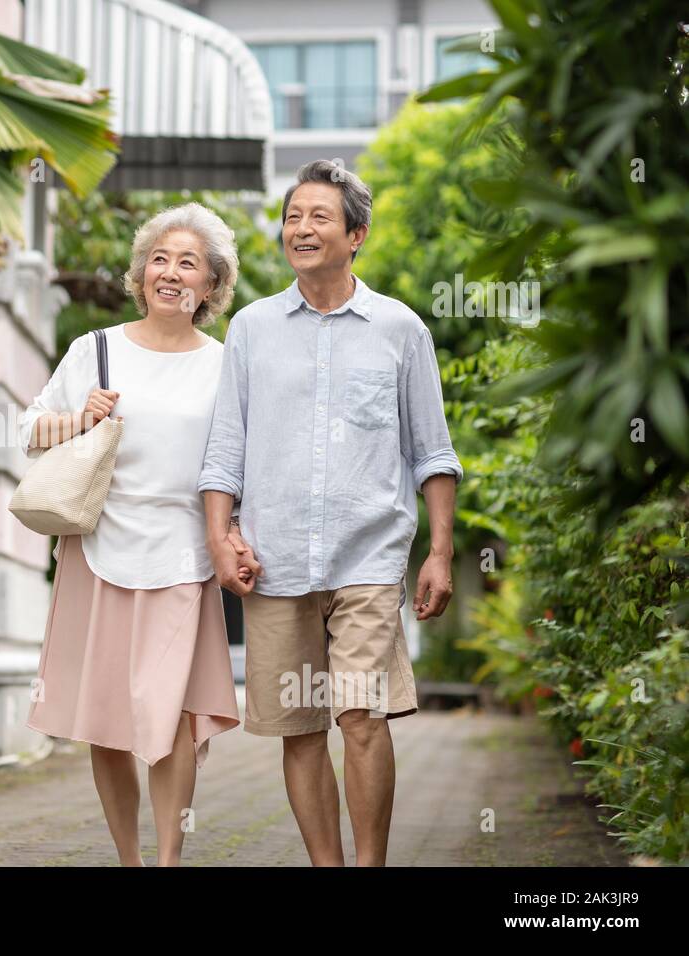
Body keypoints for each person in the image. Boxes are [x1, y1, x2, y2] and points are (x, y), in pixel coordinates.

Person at [199, 159, 464, 866]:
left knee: (360, 717)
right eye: (293, 217)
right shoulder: (251, 330)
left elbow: (433, 453)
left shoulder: (400, 331)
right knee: (300, 728)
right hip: (277, 558)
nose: (302, 229)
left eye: (319, 217)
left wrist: (438, 553)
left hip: (368, 559)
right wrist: (220, 537)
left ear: (357, 235)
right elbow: (225, 449)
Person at [17, 203, 250, 867]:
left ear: (210, 287)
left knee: (172, 713)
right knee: (108, 721)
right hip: (98, 548)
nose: (170, 273)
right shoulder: (94, 351)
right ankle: (130, 858)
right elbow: (32, 429)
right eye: (159, 259)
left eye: (188, 264)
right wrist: (78, 418)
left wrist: (236, 534)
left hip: (184, 552)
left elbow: (239, 460)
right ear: (140, 273)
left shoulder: (225, 365)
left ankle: (169, 859)